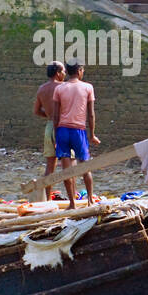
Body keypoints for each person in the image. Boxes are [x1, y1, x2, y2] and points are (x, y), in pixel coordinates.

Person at [52, 63, 100, 208]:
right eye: (82, 70)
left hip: (63, 131)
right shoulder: (87, 87)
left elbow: (55, 116)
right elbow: (91, 114)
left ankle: (72, 203)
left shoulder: (59, 88)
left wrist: (56, 136)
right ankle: (90, 200)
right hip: (78, 131)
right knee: (85, 167)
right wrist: (92, 135)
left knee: (67, 171)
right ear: (79, 71)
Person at [33, 61, 67, 201]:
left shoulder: (42, 89)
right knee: (68, 166)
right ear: (58, 73)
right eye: (63, 71)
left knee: (49, 167)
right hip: (64, 126)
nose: (65, 73)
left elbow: (36, 111)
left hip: (49, 127)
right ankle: (72, 200)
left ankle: (47, 199)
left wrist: (48, 115)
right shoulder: (65, 87)